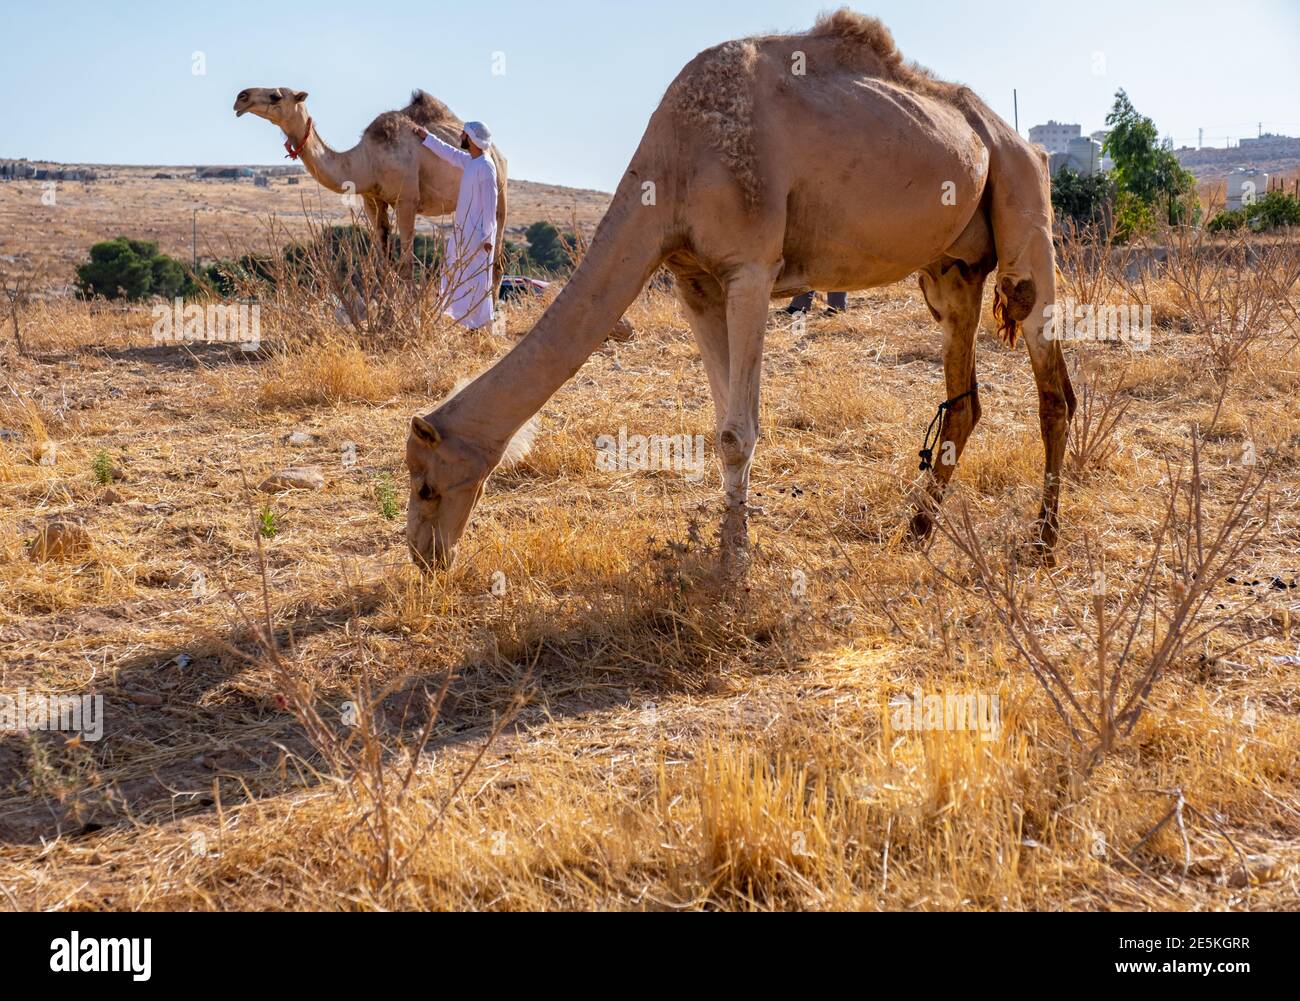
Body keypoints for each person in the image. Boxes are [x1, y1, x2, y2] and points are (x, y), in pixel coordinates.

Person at [411, 120, 498, 331]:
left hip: (478, 236)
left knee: (476, 280)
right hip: (463, 232)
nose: (460, 137)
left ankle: (480, 327)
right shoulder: (471, 161)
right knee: (455, 271)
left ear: (471, 139)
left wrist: (486, 239)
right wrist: (426, 137)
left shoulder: (485, 167)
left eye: (463, 134)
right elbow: (449, 153)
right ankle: (464, 323)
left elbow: (490, 205)